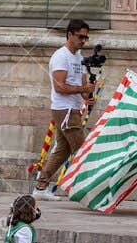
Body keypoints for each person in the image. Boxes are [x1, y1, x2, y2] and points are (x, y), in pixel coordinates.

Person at [33, 20, 95, 198]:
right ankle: (87, 189)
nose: (83, 40)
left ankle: (40, 187)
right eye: (80, 36)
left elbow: (81, 86)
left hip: (72, 108)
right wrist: (83, 90)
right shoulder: (61, 56)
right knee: (81, 149)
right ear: (70, 34)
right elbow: (59, 87)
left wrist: (87, 93)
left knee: (63, 149)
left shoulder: (79, 57)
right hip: (65, 109)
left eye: (86, 37)